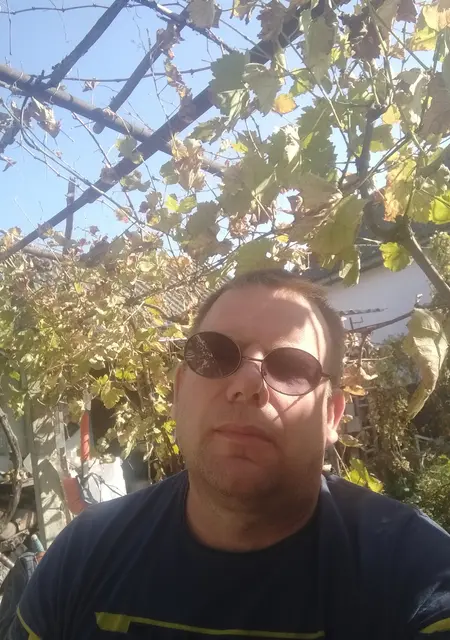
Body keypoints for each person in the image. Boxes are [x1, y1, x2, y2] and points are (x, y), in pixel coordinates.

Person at [6, 268, 450, 639]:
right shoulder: (85, 552)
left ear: (332, 416)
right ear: (178, 393)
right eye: (215, 354)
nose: (247, 384)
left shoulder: (417, 572)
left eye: (292, 366)